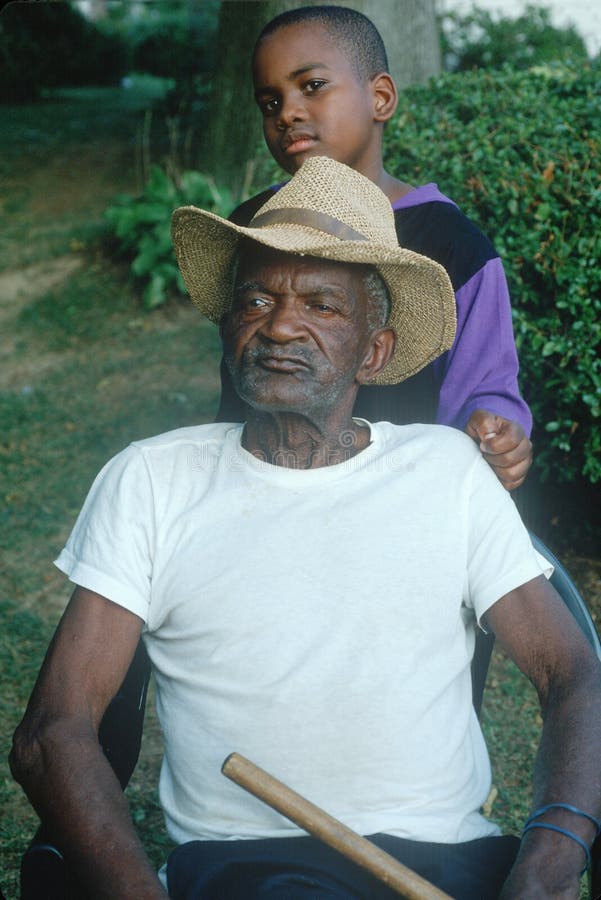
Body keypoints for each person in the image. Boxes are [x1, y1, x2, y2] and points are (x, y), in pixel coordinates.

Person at [10, 157, 600, 900]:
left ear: (375, 351)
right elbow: (51, 733)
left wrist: (543, 873)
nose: (280, 325)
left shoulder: (447, 471)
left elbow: (572, 674)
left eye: (321, 304)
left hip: (453, 861)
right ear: (228, 327)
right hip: (252, 869)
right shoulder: (152, 482)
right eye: (255, 299)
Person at [216, 4, 533, 492]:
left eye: (312, 86)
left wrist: (498, 431)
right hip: (259, 488)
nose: (289, 113)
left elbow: (485, 387)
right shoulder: (253, 227)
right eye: (270, 102)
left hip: (398, 498)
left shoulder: (454, 245)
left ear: (380, 97)